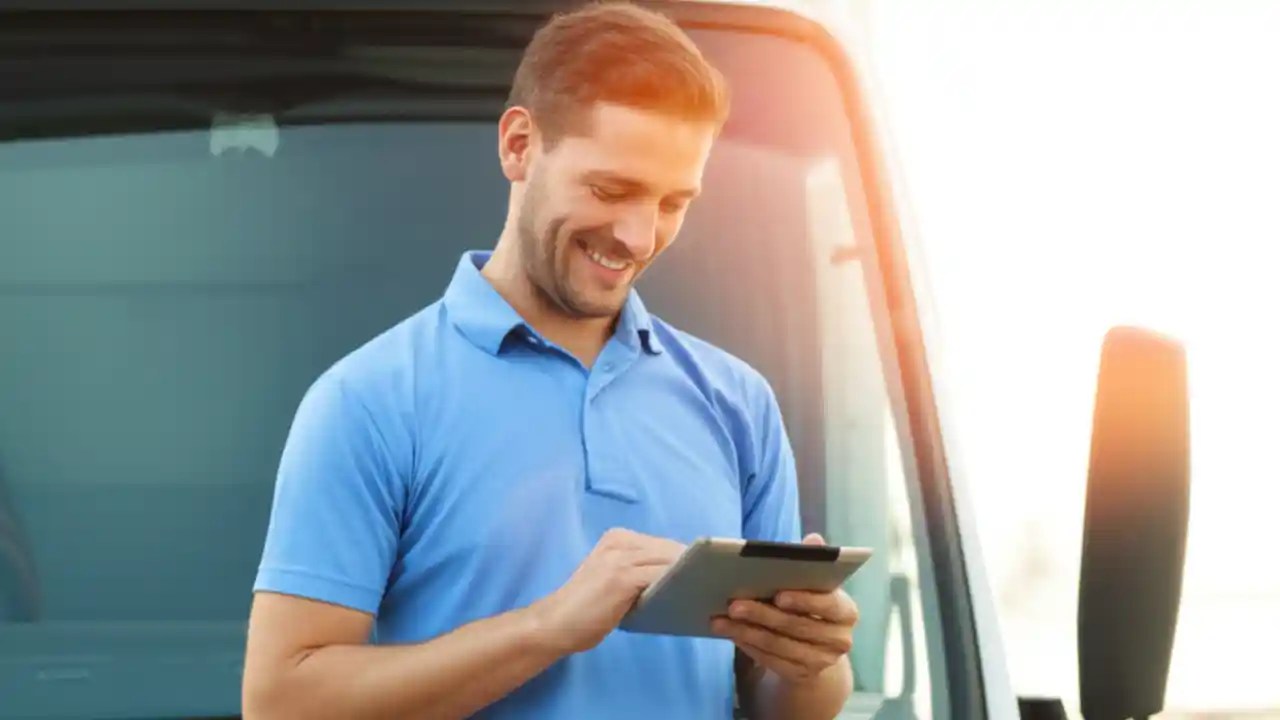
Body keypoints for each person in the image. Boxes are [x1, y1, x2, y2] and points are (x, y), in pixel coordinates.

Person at [241, 3, 858, 718]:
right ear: (519, 146)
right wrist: (548, 629)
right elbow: (281, 703)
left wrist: (811, 665)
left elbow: (777, 705)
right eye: (610, 189)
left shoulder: (738, 403)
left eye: (673, 201)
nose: (637, 236)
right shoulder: (371, 400)